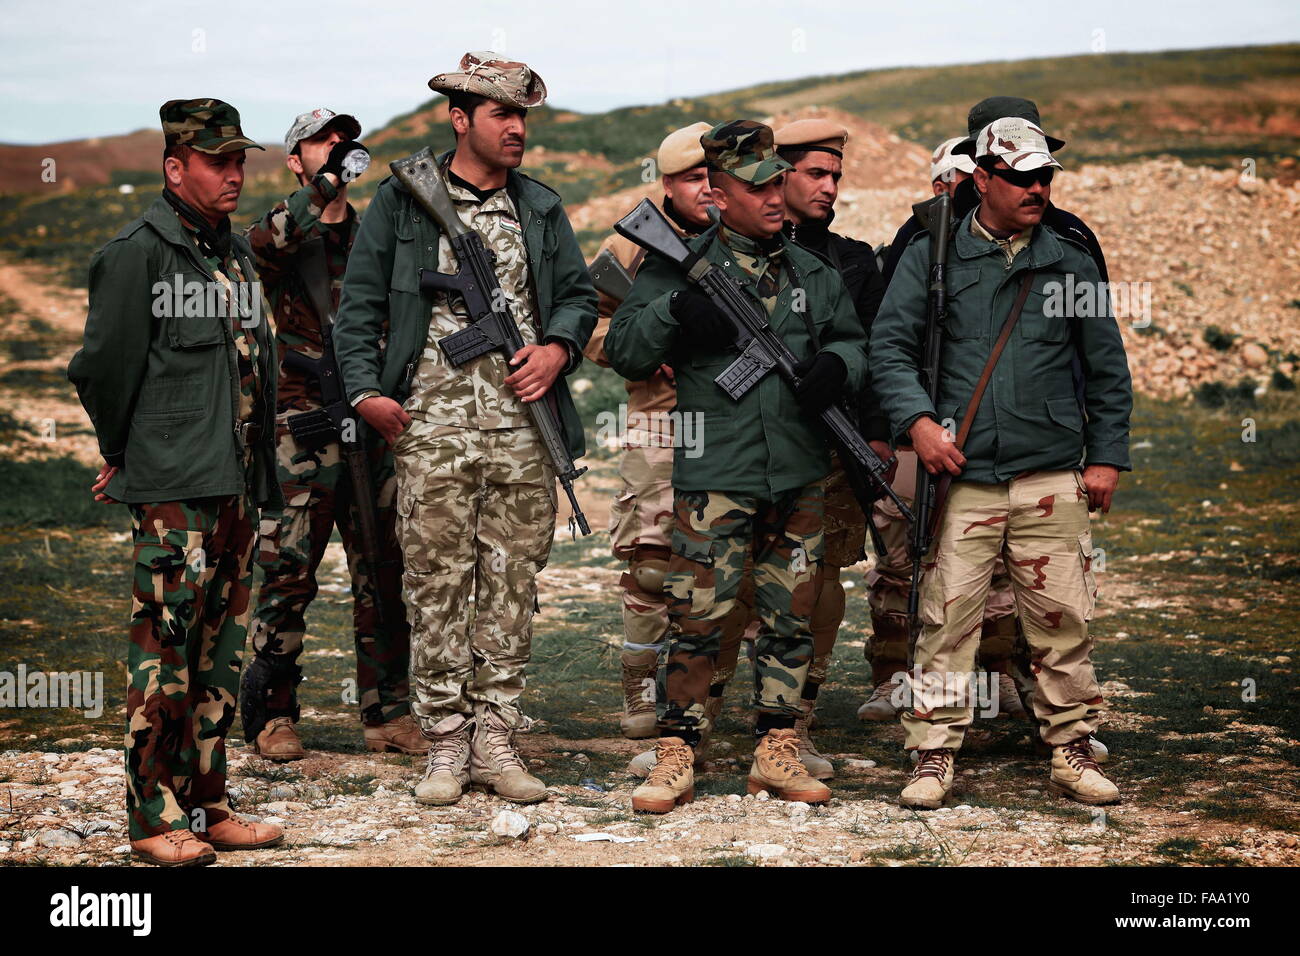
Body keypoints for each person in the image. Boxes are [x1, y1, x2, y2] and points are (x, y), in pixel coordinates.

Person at [334, 52, 597, 806]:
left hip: (521, 429)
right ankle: (444, 742)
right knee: (436, 583)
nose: (517, 129)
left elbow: (577, 297)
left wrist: (557, 349)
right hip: (430, 428)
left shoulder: (540, 207)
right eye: (502, 115)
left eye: (523, 117)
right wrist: (362, 393)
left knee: (511, 585)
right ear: (461, 119)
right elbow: (358, 308)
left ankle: (496, 738)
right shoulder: (403, 201)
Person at [871, 113, 1132, 810]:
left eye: (1045, 176)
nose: (1036, 189)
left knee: (1061, 620)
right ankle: (931, 755)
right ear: (981, 178)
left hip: (1050, 473)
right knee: (946, 621)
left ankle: (1071, 749)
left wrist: (1105, 456)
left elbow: (1107, 369)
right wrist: (918, 424)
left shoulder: (1069, 261)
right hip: (962, 478)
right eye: (1020, 178)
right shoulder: (934, 258)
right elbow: (888, 350)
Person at [607, 120, 868, 813]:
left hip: (798, 472)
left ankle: (777, 750)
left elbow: (852, 339)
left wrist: (838, 367)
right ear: (719, 194)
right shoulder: (674, 266)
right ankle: (676, 752)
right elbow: (626, 350)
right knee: (698, 619)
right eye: (759, 186)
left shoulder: (812, 270)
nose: (777, 197)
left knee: (790, 620)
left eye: (780, 181)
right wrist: (674, 310)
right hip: (716, 473)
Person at [68, 98, 284, 865]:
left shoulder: (232, 253)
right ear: (174, 166)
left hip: (234, 487)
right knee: (163, 655)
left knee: (219, 658)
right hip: (175, 491)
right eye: (218, 161)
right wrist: (124, 450)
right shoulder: (140, 252)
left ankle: (208, 805)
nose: (233, 175)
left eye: (239, 162)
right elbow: (103, 367)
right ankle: (150, 817)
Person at [240, 108, 426, 761]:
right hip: (303, 424)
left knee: (385, 569)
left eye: (343, 140)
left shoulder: (376, 232)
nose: (337, 149)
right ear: (295, 160)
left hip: (371, 420)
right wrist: (322, 185)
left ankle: (388, 712)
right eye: (320, 142)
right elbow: (264, 242)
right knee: (289, 570)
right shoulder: (282, 229)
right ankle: (271, 715)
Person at [858, 133, 1024, 725]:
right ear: (939, 186)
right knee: (901, 563)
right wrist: (887, 430)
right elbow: (884, 350)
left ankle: (994, 678)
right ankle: (892, 678)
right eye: (954, 182)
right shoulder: (911, 249)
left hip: (980, 437)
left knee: (995, 569)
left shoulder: (1020, 245)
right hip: (910, 433)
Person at [771, 117, 888, 777]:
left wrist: (872, 434)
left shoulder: (852, 259)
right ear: (778, 174)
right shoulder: (737, 251)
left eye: (836, 174)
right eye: (816, 173)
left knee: (820, 586)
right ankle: (695, 721)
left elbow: (876, 351)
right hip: (755, 447)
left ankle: (797, 722)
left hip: (831, 449)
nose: (830, 186)